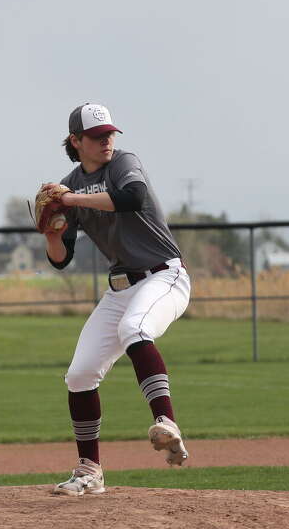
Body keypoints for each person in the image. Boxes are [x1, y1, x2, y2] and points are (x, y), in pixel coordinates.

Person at [42, 103, 191, 496]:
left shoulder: (124, 162)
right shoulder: (70, 183)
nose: (107, 140)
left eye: (109, 133)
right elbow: (62, 260)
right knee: (79, 374)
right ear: (76, 141)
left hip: (164, 275)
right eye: (96, 135)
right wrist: (52, 234)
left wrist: (71, 201)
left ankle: (167, 422)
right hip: (120, 288)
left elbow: (131, 198)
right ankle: (89, 472)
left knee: (135, 328)